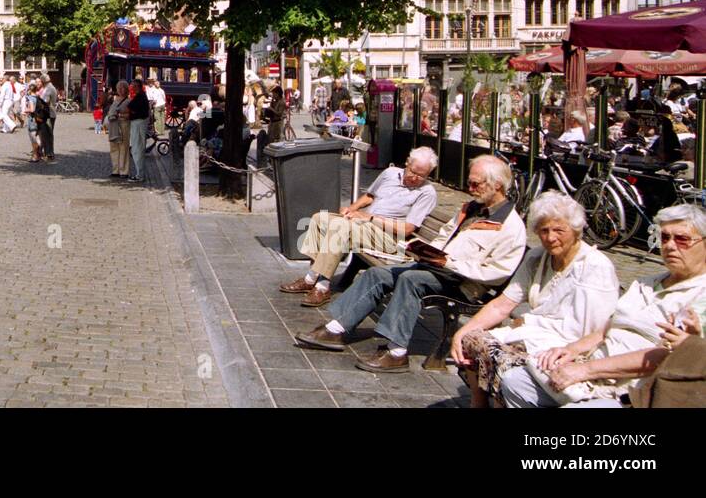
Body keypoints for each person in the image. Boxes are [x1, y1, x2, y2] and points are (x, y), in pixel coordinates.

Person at [296, 155, 526, 373]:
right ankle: (337, 328)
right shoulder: (472, 207)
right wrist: (429, 252)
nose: (470, 189)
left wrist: (449, 262)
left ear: (497, 185)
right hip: (439, 268)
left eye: (476, 184)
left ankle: (397, 352)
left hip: (465, 282)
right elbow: (445, 234)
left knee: (410, 280)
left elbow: (497, 273)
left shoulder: (510, 226)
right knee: (378, 274)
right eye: (470, 183)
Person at [496, 204, 706, 407]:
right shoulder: (647, 282)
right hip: (595, 369)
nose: (670, 245)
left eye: (682, 239)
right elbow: (607, 328)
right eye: (665, 237)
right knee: (515, 382)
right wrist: (570, 350)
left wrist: (586, 370)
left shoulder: (700, 295)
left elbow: (664, 357)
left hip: (635, 389)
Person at [452, 191, 621, 407]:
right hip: (535, 334)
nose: (551, 238)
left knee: (503, 362)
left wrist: (539, 329)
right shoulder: (537, 257)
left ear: (576, 231)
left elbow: (597, 329)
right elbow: (504, 304)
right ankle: (479, 404)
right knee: (471, 340)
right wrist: (462, 332)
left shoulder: (594, 266)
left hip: (567, 345)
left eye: (559, 230)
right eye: (544, 230)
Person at [279, 147, 440, 307]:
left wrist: (370, 217)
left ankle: (322, 287)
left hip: (389, 237)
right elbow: (370, 196)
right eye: (413, 172)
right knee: (319, 219)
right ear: (407, 163)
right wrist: (353, 208)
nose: (415, 178)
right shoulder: (390, 173)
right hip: (364, 226)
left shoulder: (427, 193)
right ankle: (311, 278)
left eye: (421, 175)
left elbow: (407, 229)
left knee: (340, 227)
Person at [126, 77, 150, 182]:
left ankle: (140, 175)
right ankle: (140, 173)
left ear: (137, 87)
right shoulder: (141, 96)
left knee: (137, 148)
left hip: (138, 123)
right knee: (137, 148)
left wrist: (130, 113)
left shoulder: (140, 97)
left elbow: (130, 108)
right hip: (139, 122)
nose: (132, 88)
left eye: (133, 86)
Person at [105, 81, 131, 178]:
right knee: (114, 147)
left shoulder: (129, 101)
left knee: (124, 147)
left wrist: (120, 115)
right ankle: (115, 170)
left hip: (123, 125)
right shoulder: (115, 100)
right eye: (118, 87)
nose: (120, 89)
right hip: (113, 126)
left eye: (122, 87)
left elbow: (131, 114)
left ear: (126, 89)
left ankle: (124, 171)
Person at [36, 74, 59, 161]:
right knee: (46, 134)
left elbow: (45, 101)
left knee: (47, 134)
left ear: (43, 81)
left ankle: (49, 153)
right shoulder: (49, 87)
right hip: (49, 113)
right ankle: (45, 152)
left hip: (48, 114)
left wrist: (37, 98)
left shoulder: (48, 88)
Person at [22, 80, 45, 164]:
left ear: (30, 90)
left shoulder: (31, 98)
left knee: (33, 139)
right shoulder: (38, 97)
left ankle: (35, 156)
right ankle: (40, 154)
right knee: (38, 137)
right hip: (39, 120)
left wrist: (25, 110)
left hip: (32, 120)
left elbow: (32, 109)